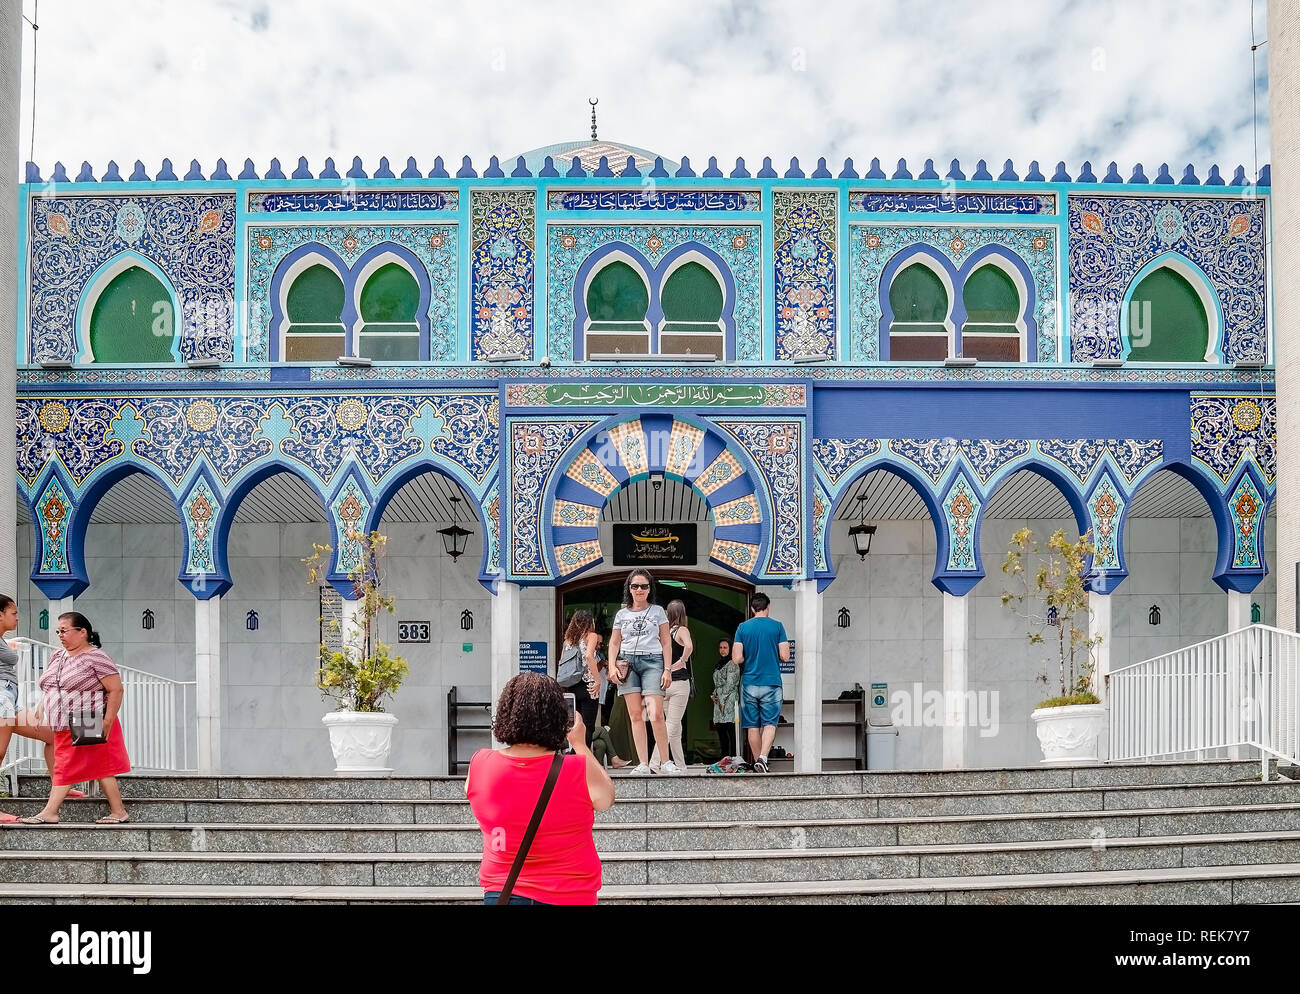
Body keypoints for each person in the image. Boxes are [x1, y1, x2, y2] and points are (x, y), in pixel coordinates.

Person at [466, 672, 614, 905]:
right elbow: (606, 798)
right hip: (570, 893)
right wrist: (579, 744)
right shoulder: (577, 769)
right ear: (558, 718)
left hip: (502, 892)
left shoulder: (480, 764)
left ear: (506, 713)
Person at [21, 612, 131, 824]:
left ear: (83, 633)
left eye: (64, 631)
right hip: (62, 723)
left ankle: (50, 812)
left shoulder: (96, 657)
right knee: (94, 766)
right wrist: (42, 706)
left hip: (88, 717)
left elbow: (116, 690)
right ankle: (118, 811)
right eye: (58, 631)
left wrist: (107, 721)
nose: (60, 635)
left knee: (75, 765)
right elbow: (53, 685)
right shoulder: (58, 656)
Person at [606, 569, 675, 775]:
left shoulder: (658, 611)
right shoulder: (622, 614)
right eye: (635, 586)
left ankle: (665, 761)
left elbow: (666, 641)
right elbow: (614, 642)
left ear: (649, 588)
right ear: (629, 588)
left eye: (644, 586)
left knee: (655, 714)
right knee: (636, 715)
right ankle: (643, 763)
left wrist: (668, 669)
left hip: (653, 662)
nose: (639, 590)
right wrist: (611, 666)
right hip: (627, 663)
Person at [0, 595, 58, 780]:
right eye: (14, 613)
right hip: (2, 695)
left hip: (11, 699)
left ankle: (60, 786)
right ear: (0, 615)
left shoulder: (2, 640)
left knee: (52, 736)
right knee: (0, 751)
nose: (17, 617)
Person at [732, 592, 790, 774]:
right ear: (768, 607)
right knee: (770, 723)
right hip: (771, 682)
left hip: (749, 683)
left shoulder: (742, 628)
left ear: (752, 608)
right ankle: (763, 758)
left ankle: (760, 767)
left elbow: (737, 658)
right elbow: (785, 656)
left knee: (752, 726)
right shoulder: (777, 627)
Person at [650, 599, 693, 774]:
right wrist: (682, 661)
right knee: (671, 727)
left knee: (675, 729)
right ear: (682, 613)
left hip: (664, 684)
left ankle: (681, 767)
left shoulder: (664, 633)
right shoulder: (682, 630)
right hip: (679, 684)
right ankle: (654, 763)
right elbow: (689, 646)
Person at [557, 610, 602, 748]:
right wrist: (598, 679)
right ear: (590, 622)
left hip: (572, 685)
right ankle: (584, 757)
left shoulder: (568, 640)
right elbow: (589, 656)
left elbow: (562, 661)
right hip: (588, 684)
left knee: (574, 723)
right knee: (588, 725)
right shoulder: (591, 635)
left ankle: (573, 752)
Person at [712, 638, 741, 760]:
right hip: (719, 701)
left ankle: (733, 758)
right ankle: (724, 758)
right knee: (721, 729)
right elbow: (717, 683)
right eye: (720, 647)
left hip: (729, 700)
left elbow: (730, 684)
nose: (722, 650)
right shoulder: (719, 664)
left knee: (731, 730)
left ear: (730, 649)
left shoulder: (732, 663)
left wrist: (722, 700)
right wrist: (714, 695)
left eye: (725, 647)